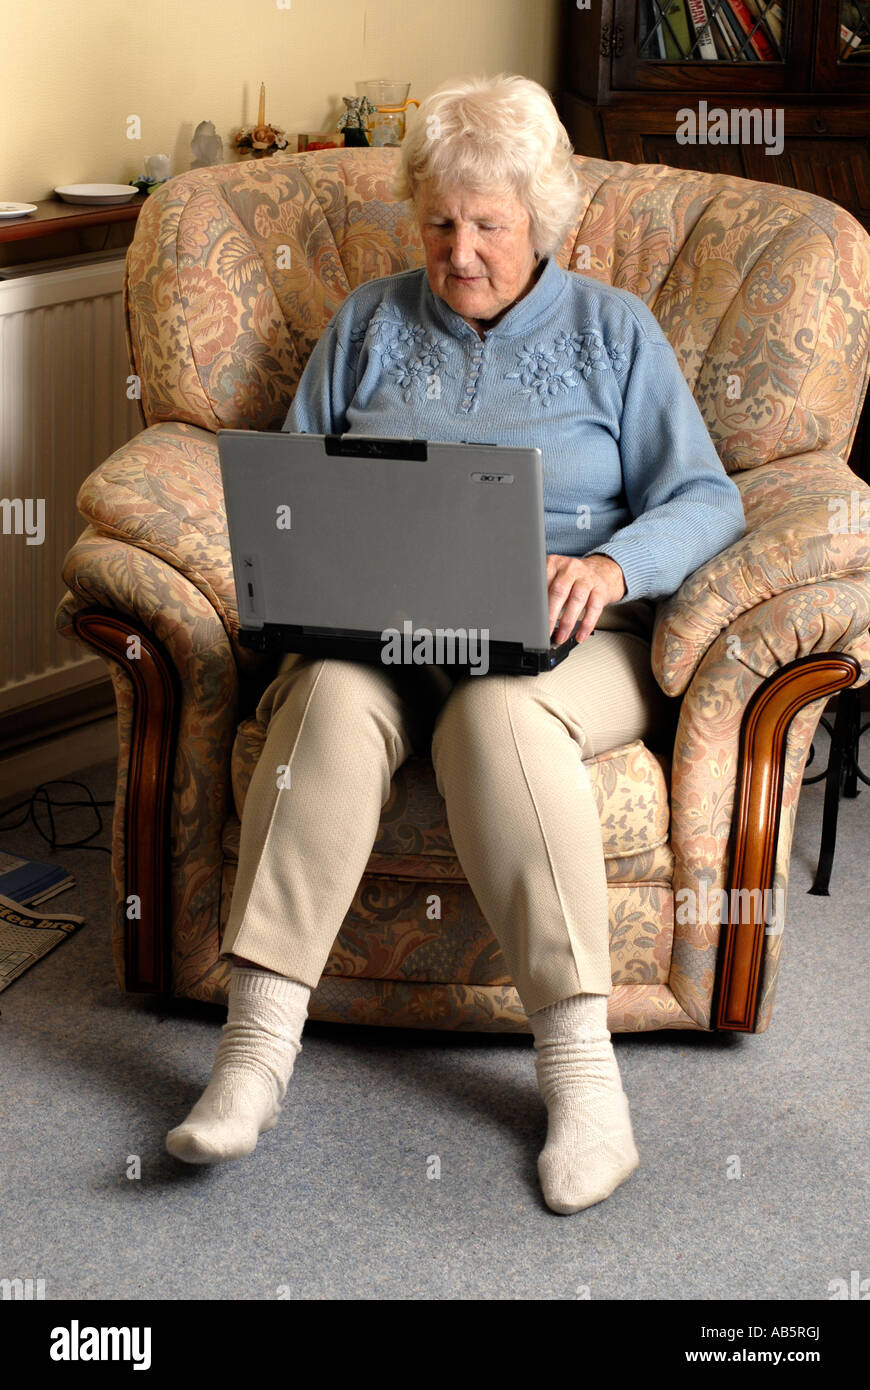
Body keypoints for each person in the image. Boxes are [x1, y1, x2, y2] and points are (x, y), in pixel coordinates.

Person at [166, 73, 746, 1214]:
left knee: (497, 711)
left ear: (542, 221)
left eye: (489, 224)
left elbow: (708, 498)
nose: (460, 250)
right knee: (326, 698)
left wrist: (608, 566)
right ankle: (253, 1055)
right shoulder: (370, 323)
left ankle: (584, 1082)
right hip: (384, 636)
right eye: (440, 222)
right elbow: (297, 489)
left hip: (567, 645)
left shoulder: (614, 334)